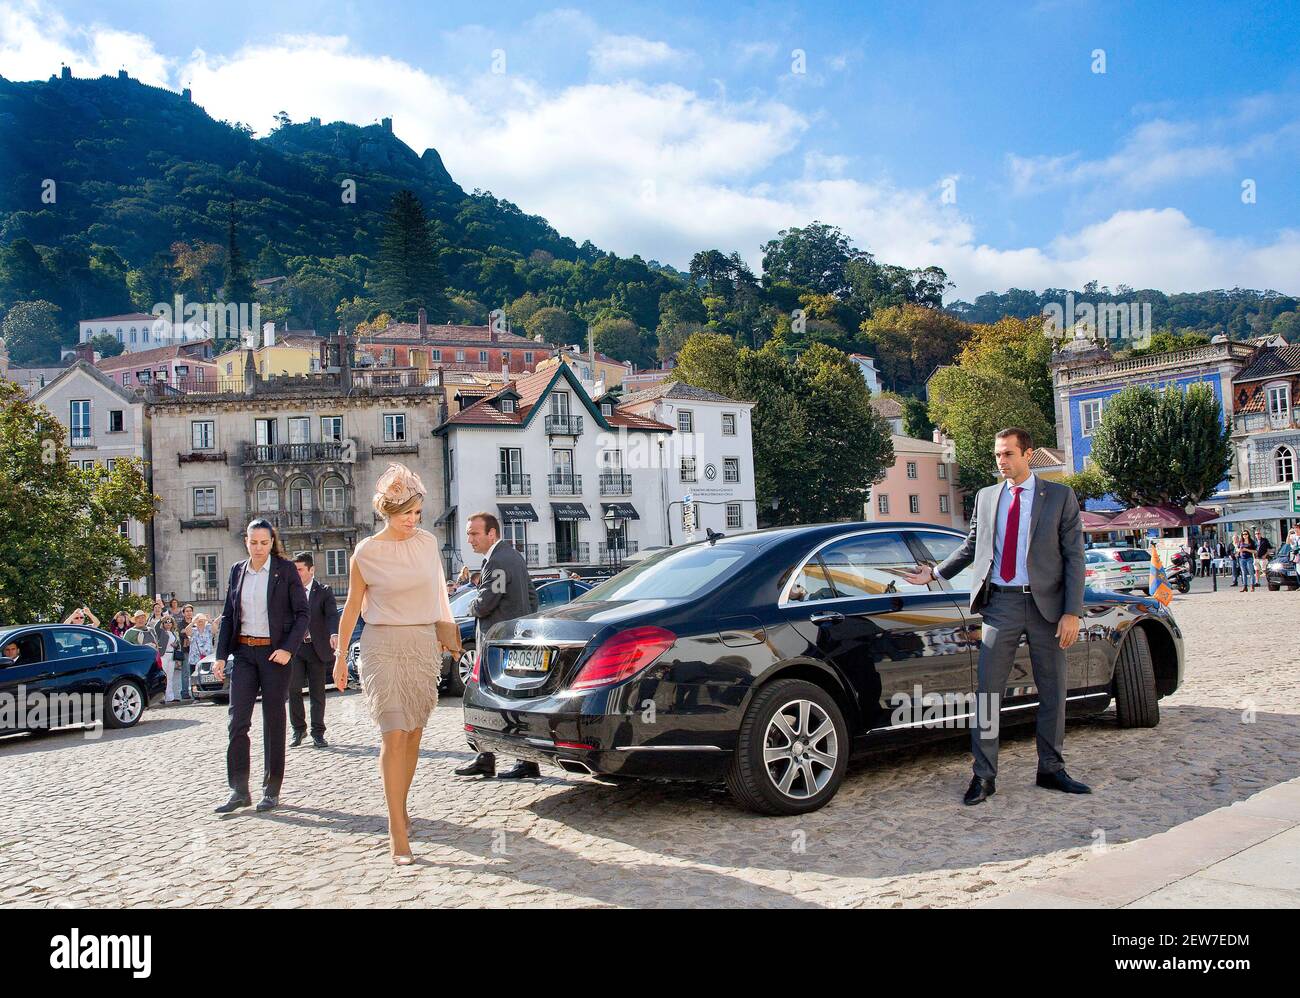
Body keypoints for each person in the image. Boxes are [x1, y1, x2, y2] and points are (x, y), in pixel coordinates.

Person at [904, 427, 1089, 805]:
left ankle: (1051, 769)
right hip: (999, 605)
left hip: (1047, 609)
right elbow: (972, 546)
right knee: (988, 694)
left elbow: (1075, 557)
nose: (1001, 461)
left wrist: (1072, 612)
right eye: (997, 455)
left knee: (1052, 690)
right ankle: (984, 777)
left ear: (1027, 454)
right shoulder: (987, 498)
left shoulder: (1058, 496)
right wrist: (936, 573)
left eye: (1007, 454)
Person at [331, 464, 459, 865]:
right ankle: (396, 830)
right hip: (381, 645)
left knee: (415, 733)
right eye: (407, 514)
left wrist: (448, 637)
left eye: (418, 513)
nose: (413, 521)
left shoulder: (427, 543)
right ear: (387, 512)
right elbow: (352, 606)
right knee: (394, 733)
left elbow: (440, 594)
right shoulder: (366, 553)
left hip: (421, 645)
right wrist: (338, 658)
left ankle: (400, 806)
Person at [212, 518, 309, 815]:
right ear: (246, 541)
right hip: (244, 653)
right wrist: (220, 654)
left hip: (274, 655)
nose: (258, 548)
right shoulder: (237, 571)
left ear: (272, 542)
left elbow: (302, 614)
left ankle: (272, 788)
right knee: (237, 721)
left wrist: (287, 649)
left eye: (264, 543)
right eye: (253, 542)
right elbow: (229, 615)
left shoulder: (285, 571)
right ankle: (239, 789)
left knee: (273, 721)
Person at [453, 511, 540, 780]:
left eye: (474, 533)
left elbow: (486, 602)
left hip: (497, 644)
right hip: (514, 641)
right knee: (508, 702)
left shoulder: (499, 561)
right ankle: (496, 757)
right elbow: (532, 598)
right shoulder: (513, 557)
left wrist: (471, 604)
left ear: (492, 533)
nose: (469, 539)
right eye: (468, 533)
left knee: (488, 701)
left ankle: (501, 759)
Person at [288, 551, 340, 749]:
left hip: (317, 648)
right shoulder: (289, 591)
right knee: (293, 690)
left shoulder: (324, 591)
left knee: (317, 692)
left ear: (311, 570)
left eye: (300, 569)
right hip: (296, 648)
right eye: (295, 570)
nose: (297, 573)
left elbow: (331, 616)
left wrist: (334, 633)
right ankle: (298, 729)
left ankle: (318, 732)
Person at [186, 612, 215, 693]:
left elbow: (215, 630)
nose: (200, 621)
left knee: (208, 676)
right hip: (195, 658)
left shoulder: (208, 628)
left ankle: (209, 692)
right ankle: (196, 695)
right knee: (194, 678)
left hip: (207, 658)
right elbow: (187, 631)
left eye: (202, 619)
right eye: (198, 619)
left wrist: (210, 620)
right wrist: (192, 622)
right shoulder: (193, 630)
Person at [158, 615, 180, 703]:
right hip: (163, 655)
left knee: (170, 677)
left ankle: (170, 696)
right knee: (164, 676)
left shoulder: (173, 633)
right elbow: (157, 627)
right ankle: (162, 697)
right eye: (166, 622)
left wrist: (176, 645)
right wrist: (163, 617)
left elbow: (177, 644)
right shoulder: (161, 632)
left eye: (170, 622)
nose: (168, 624)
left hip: (172, 655)